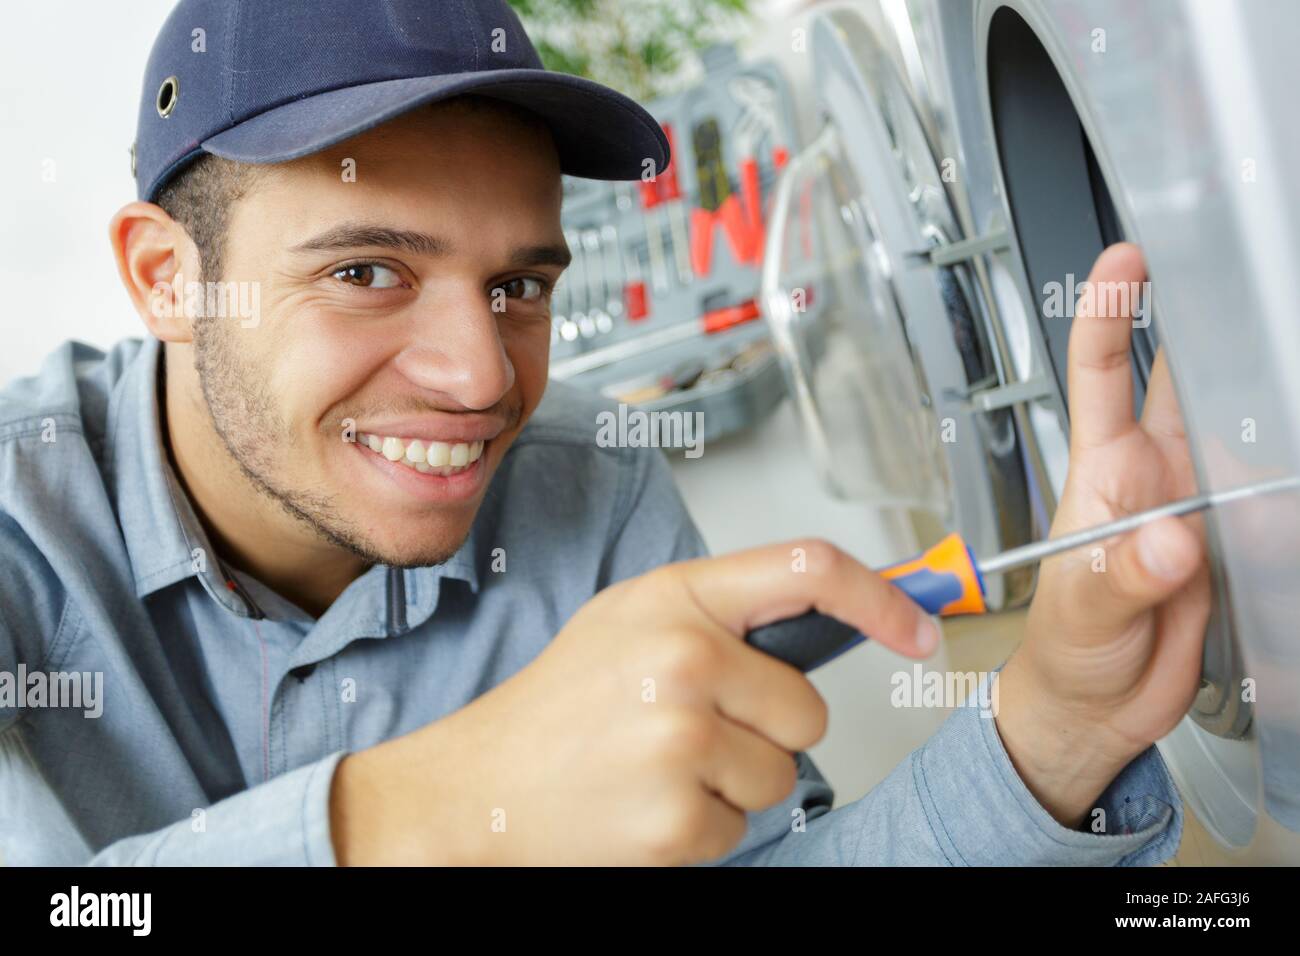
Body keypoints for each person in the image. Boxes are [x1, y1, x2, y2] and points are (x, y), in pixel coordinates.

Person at [0, 0, 1207, 866]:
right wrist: (436, 805)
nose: (482, 379)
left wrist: (1060, 721)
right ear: (168, 277)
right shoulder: (21, 522)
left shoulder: (593, 487)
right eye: (368, 269)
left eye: (519, 286)